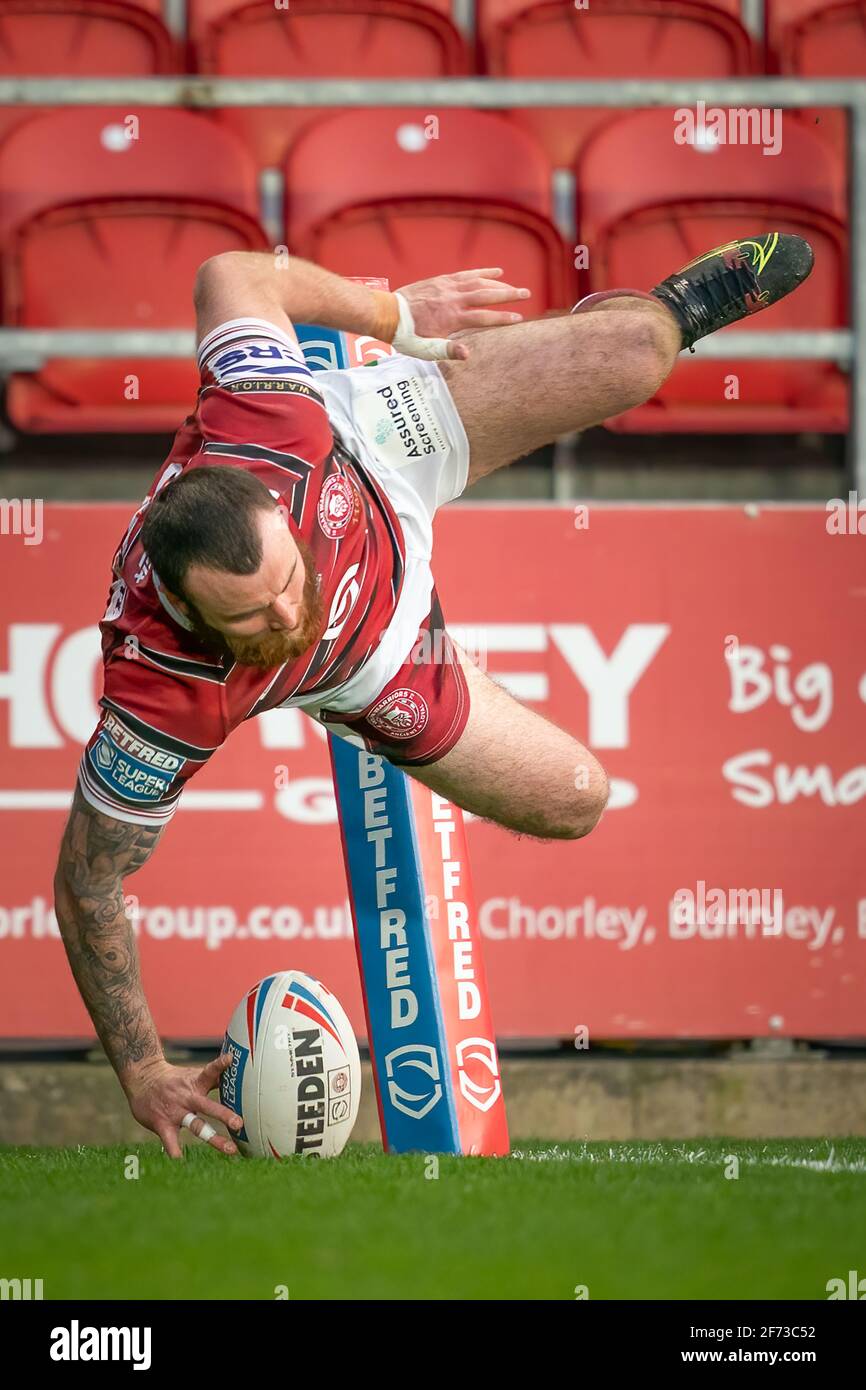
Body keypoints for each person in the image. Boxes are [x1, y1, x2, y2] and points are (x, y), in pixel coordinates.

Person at [53, 233, 813, 1157]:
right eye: (253, 622)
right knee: (575, 799)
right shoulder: (160, 687)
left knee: (636, 356)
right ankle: (365, 683)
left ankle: (638, 314)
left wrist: (394, 316)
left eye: (291, 578)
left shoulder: (266, 417)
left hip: (377, 446)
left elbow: (233, 274)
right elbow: (91, 883)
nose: (293, 609)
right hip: (377, 663)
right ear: (188, 610)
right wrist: (141, 1070)